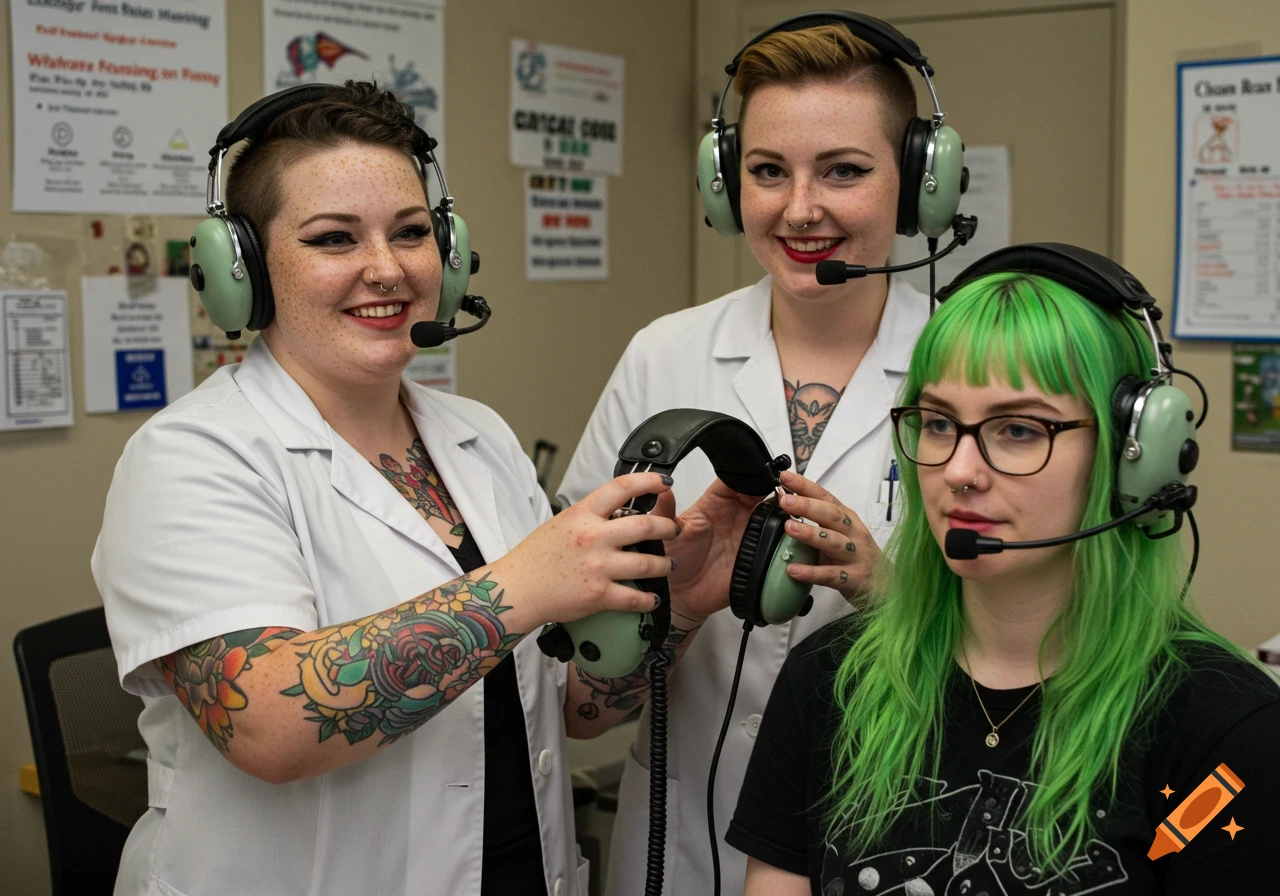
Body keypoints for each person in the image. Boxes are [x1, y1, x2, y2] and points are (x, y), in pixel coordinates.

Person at [92, 81, 737, 896]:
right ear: (243, 270)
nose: (387, 269)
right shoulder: (190, 457)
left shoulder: (479, 437)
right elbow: (269, 728)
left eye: (410, 233)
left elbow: (569, 710)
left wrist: (676, 608)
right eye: (333, 238)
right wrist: (520, 585)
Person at [728, 258, 1280, 894]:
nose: (960, 469)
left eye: (1019, 429)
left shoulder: (1227, 730)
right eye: (937, 423)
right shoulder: (828, 682)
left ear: (1134, 458)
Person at [555, 16, 938, 896]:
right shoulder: (663, 356)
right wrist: (674, 614)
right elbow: (580, 693)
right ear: (728, 186)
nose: (800, 209)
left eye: (843, 169)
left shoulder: (973, 369)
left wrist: (891, 595)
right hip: (678, 844)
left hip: (896, 841)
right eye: (768, 171)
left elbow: (1055, 653)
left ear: (917, 180)